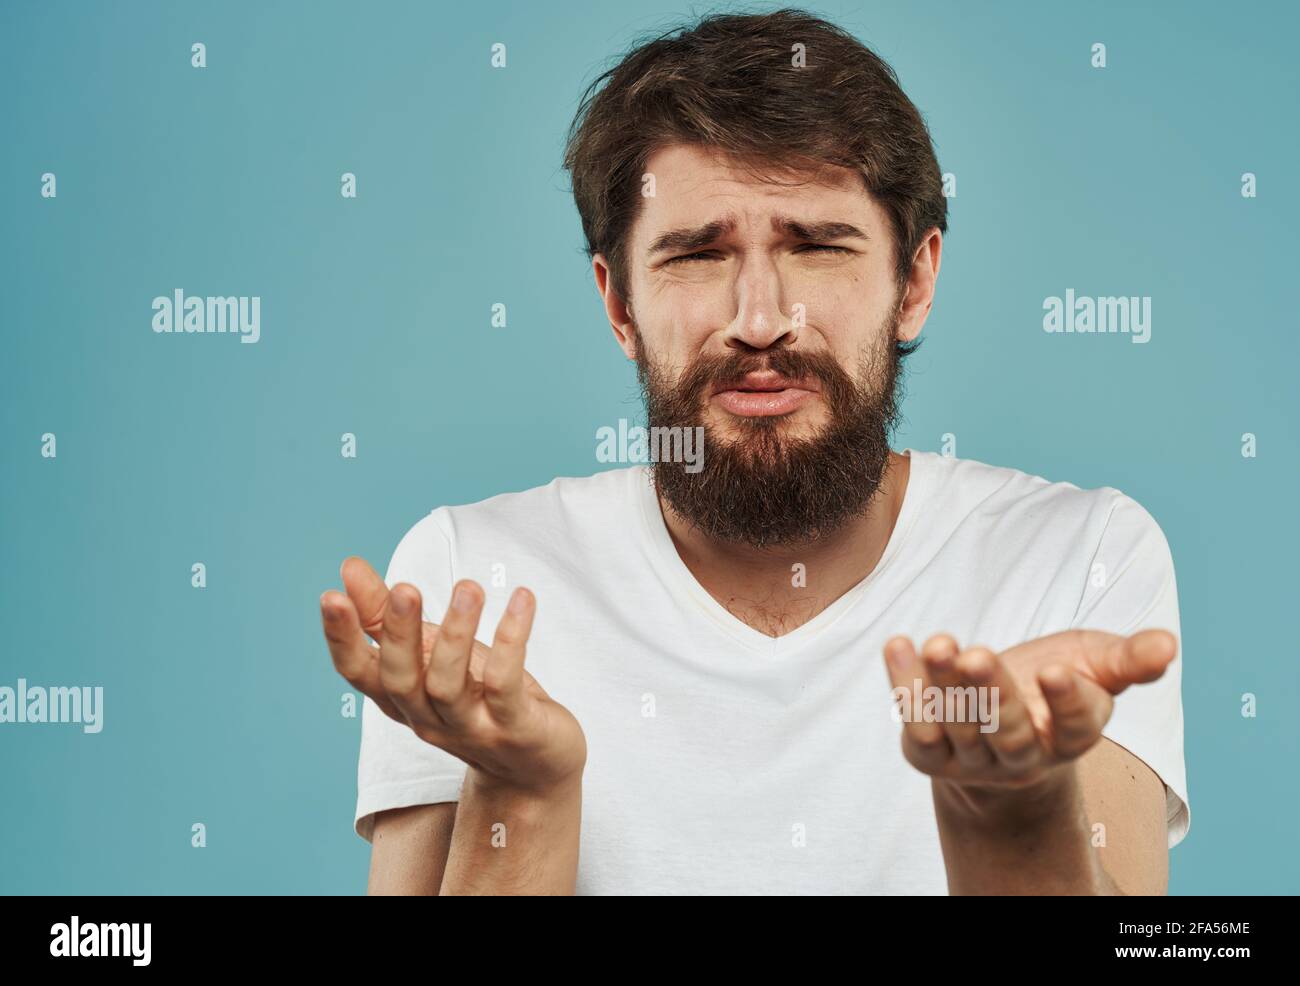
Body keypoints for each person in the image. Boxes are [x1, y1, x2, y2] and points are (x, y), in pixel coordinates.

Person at [319, 8, 1187, 895]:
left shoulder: (1080, 560)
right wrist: (524, 789)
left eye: (816, 248)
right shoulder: (474, 582)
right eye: (696, 255)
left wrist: (1014, 815)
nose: (761, 320)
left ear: (914, 283)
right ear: (619, 305)